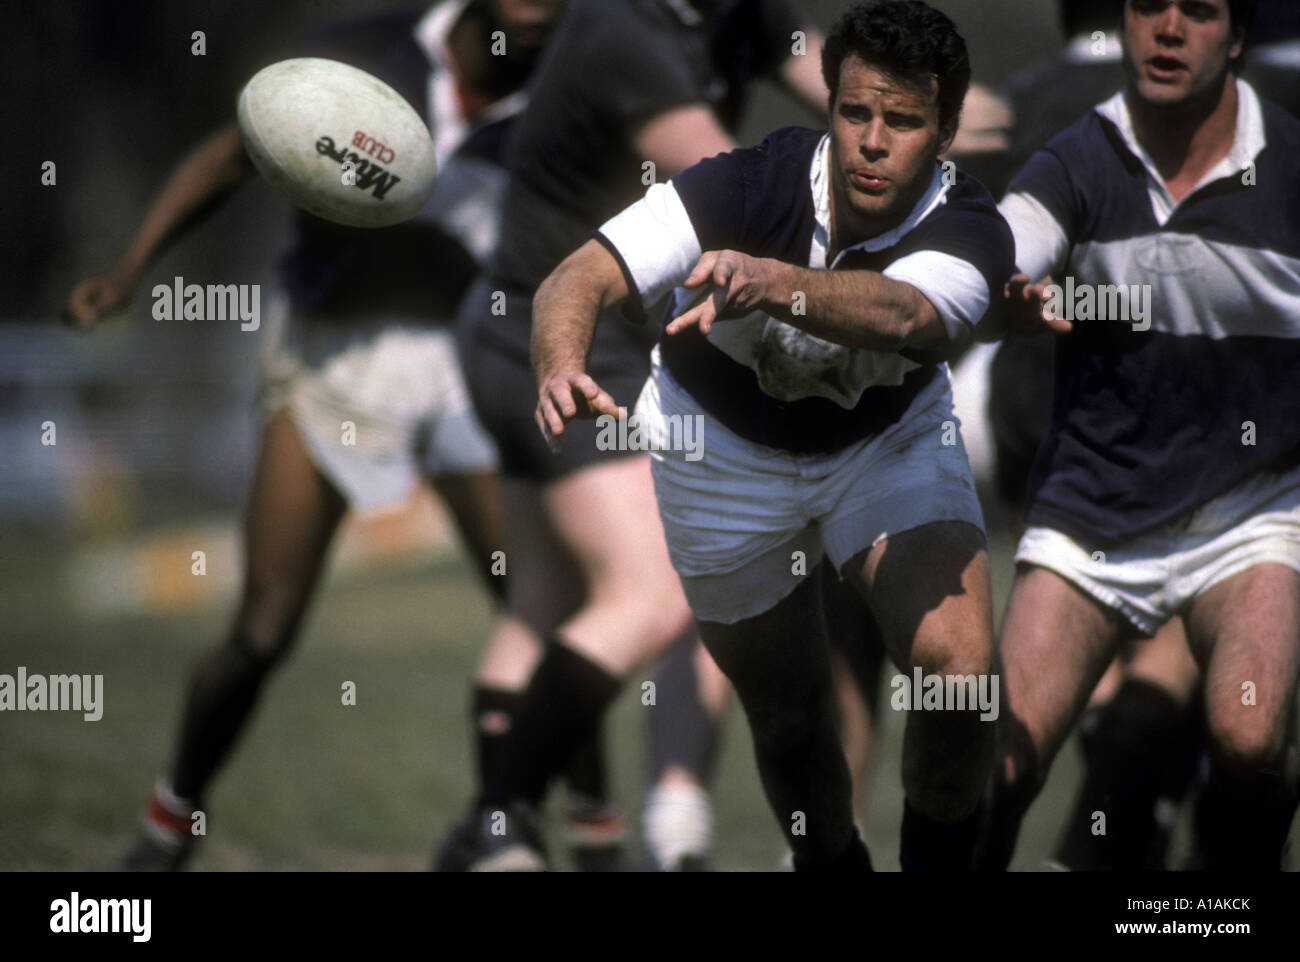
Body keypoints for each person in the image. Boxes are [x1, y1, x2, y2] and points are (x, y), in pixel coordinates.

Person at [66, 0, 572, 870]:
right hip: (331, 363)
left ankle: (543, 826)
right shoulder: (360, 52)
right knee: (262, 626)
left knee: (537, 612)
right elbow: (233, 152)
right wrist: (130, 267)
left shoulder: (572, 87)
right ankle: (170, 819)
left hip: (462, 369)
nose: (539, 9)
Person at [533, 0, 1015, 870]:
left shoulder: (972, 228)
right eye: (855, 111)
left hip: (887, 445)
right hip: (715, 452)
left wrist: (773, 281)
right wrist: (561, 361)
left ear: (944, 134)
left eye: (903, 122)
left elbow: (902, 311)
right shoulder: (746, 182)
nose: (872, 140)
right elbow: (579, 274)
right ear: (827, 105)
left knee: (959, 676)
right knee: (790, 720)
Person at [435, 0, 839, 871]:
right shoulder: (624, 31)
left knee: (542, 599)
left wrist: (959, 137)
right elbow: (728, 185)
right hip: (563, 337)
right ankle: (493, 820)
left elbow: (855, 96)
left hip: (516, 328)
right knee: (652, 595)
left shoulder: (743, 15)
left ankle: (507, 845)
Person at [978, 0, 1300, 871]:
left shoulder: (1293, 165)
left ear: (1235, 37)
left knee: (1247, 734)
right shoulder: (1079, 156)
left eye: (1196, 11)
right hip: (1095, 507)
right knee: (993, 770)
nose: (1167, 28)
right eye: (1147, 6)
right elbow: (1008, 245)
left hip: (1252, 509)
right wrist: (995, 285)